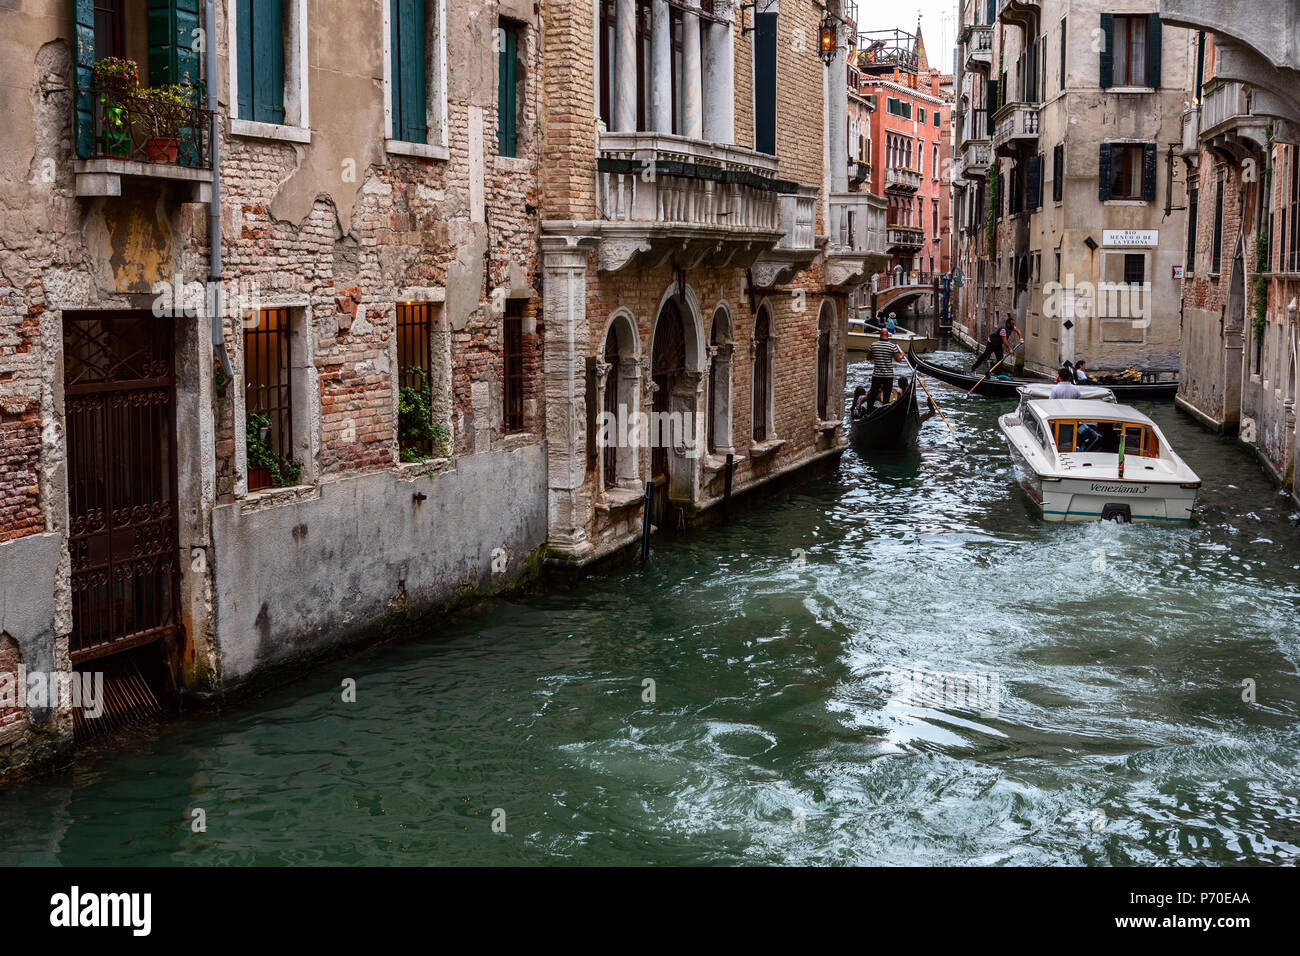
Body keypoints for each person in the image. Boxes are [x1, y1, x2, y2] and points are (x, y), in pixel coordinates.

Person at [867, 329, 905, 410]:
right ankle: (884, 410)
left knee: (873, 394)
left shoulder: (873, 345)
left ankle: (869, 411)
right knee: (886, 396)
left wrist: (877, 355)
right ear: (887, 335)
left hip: (877, 375)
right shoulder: (892, 346)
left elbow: (868, 358)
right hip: (888, 376)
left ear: (880, 335)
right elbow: (898, 360)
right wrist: (902, 354)